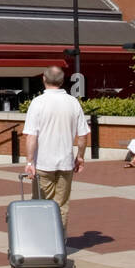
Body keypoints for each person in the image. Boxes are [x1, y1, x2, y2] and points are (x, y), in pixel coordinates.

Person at [21, 66, 90, 233]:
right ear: (62, 81)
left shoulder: (37, 103)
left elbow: (31, 136)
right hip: (65, 163)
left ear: (44, 79)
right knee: (62, 205)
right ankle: (60, 240)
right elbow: (83, 135)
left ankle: (43, 239)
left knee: (41, 203)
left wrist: (30, 161)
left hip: (43, 163)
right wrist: (80, 157)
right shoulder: (73, 102)